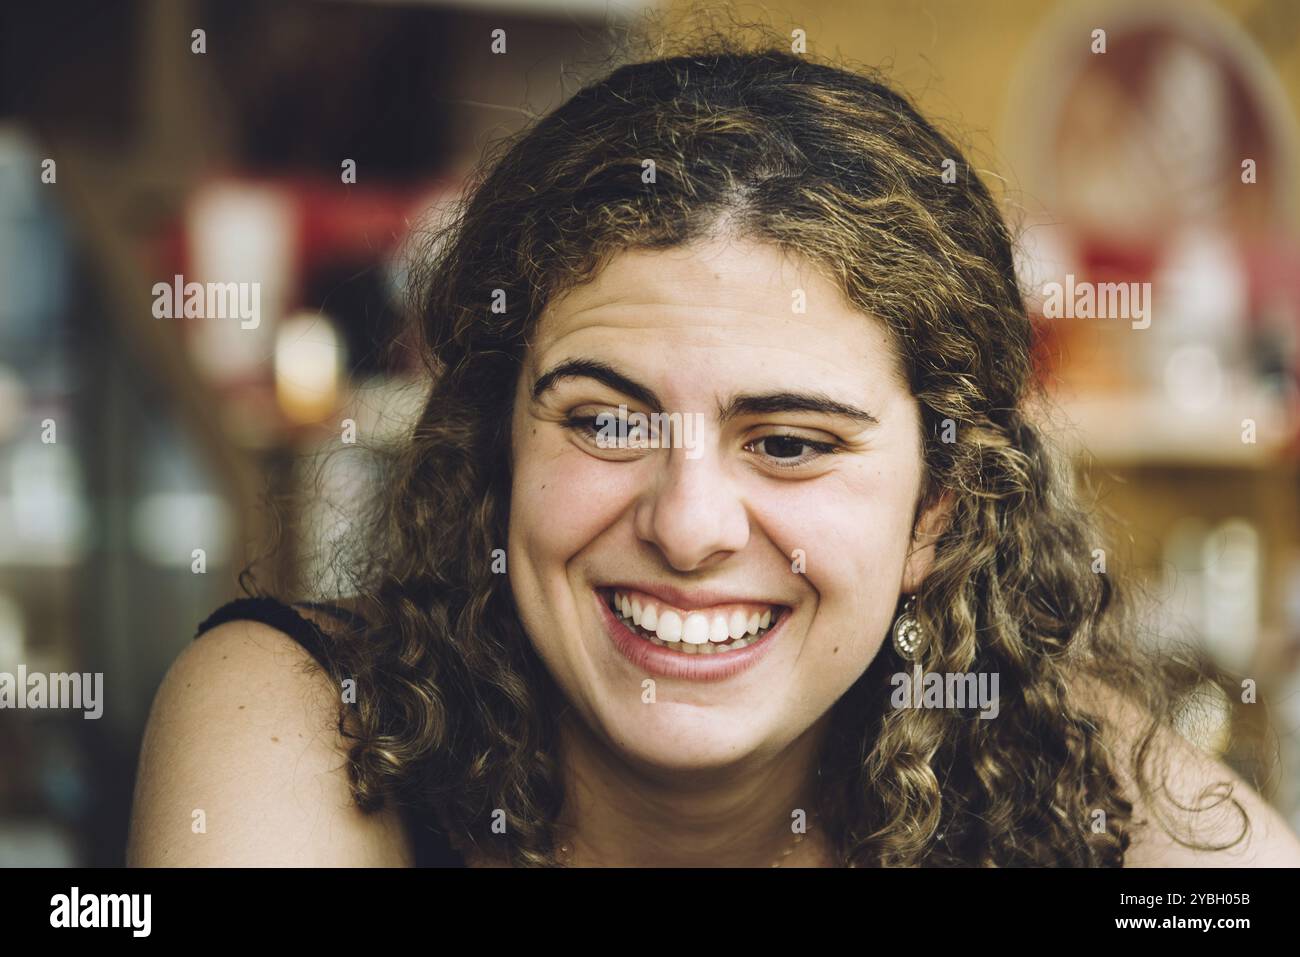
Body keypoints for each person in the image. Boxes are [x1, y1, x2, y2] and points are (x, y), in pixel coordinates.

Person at [126, 36, 1300, 868]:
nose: (689, 527)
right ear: (496, 458)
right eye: (603, 420)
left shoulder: (1075, 789)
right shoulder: (302, 718)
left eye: (787, 443)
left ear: (935, 513)